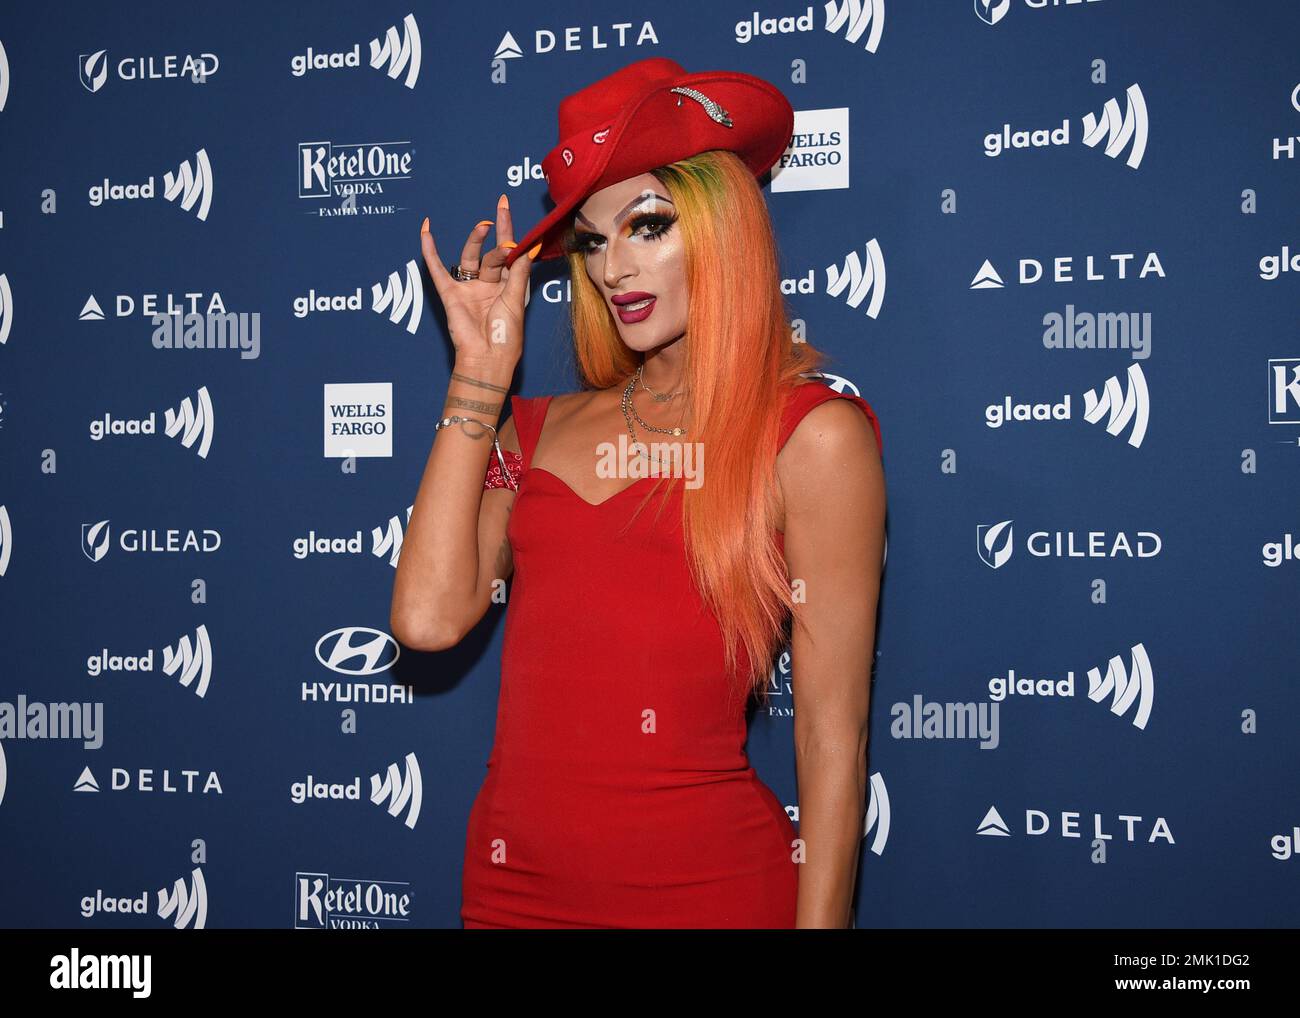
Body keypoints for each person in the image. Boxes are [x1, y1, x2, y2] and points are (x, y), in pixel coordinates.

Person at [390, 56, 886, 929]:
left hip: (708, 895)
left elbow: (830, 742)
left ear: (723, 225)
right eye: (591, 240)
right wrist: (479, 371)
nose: (613, 266)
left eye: (647, 225)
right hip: (515, 894)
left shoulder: (812, 438)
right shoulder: (535, 429)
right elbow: (427, 621)